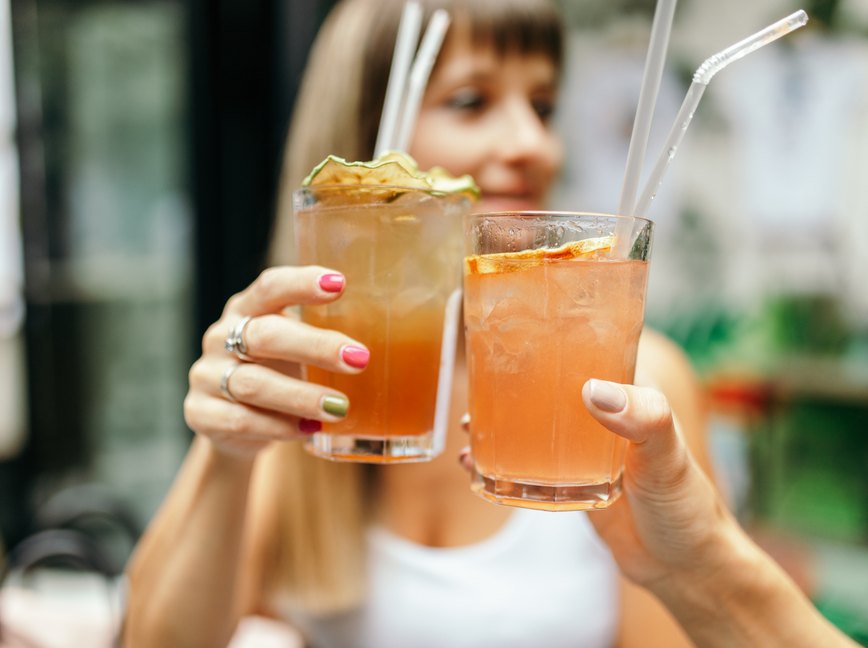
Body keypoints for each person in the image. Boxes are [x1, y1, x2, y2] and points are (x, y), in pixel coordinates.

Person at [122, 0, 715, 646]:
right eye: (471, 101)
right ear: (363, 145)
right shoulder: (302, 380)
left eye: (543, 106)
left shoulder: (633, 388)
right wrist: (225, 452)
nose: (534, 144)